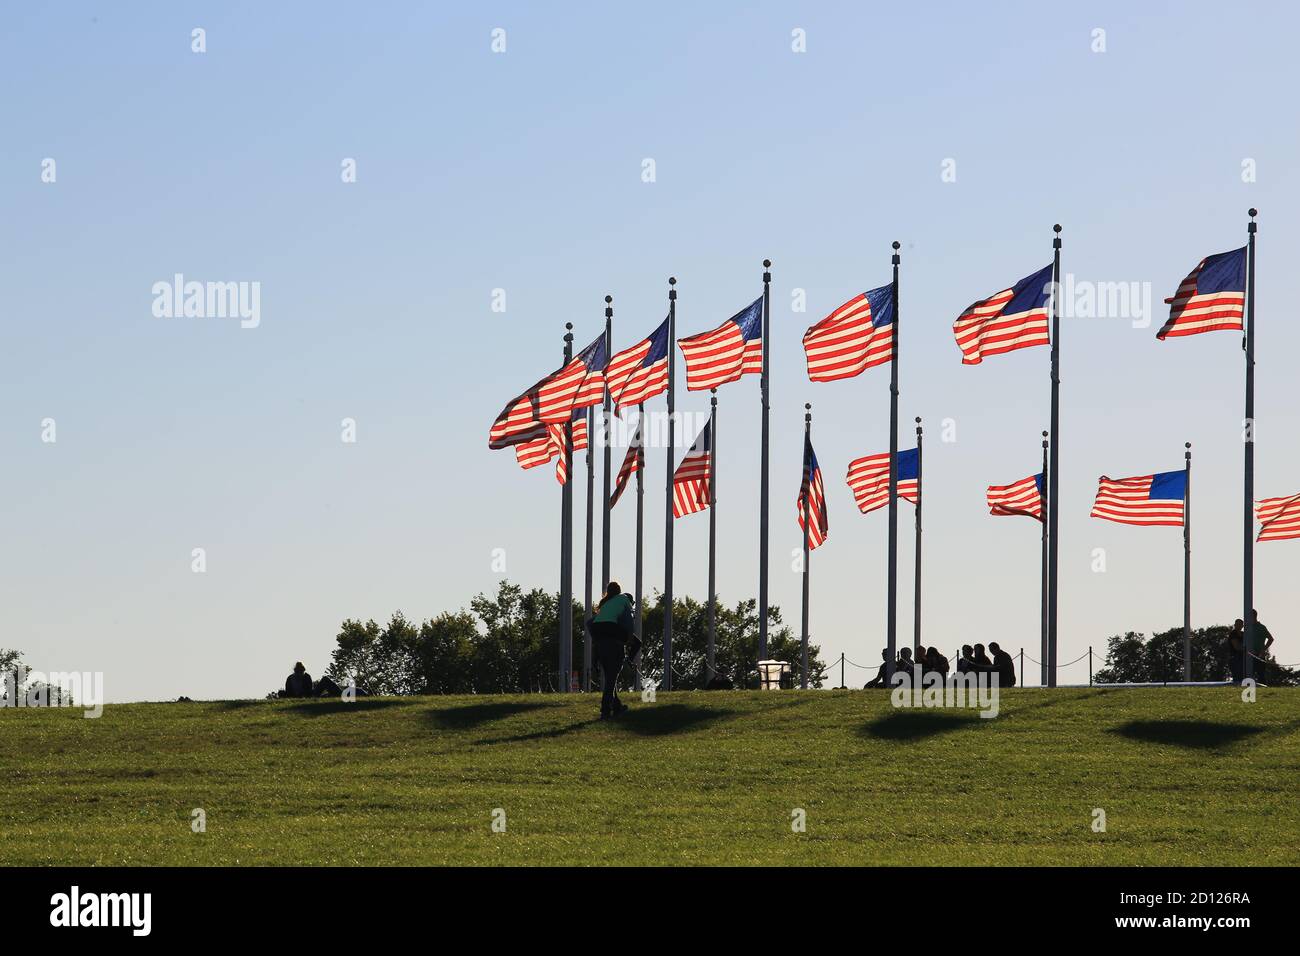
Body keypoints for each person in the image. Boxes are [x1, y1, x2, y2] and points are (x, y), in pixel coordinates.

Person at [590, 581, 634, 719]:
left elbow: (590, 623)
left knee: (610, 677)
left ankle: (616, 706)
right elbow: (629, 623)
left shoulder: (605, 604)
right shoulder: (624, 600)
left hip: (600, 643)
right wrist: (629, 639)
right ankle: (605, 709)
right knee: (612, 678)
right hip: (613, 644)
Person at [1228, 619, 1245, 684]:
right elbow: (1236, 647)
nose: (1238, 626)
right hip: (1235, 658)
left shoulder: (1243, 634)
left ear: (1242, 626)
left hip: (1242, 658)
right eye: (1237, 624)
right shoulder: (1233, 634)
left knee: (1242, 677)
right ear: (1235, 625)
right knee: (1237, 678)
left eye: (1240, 624)